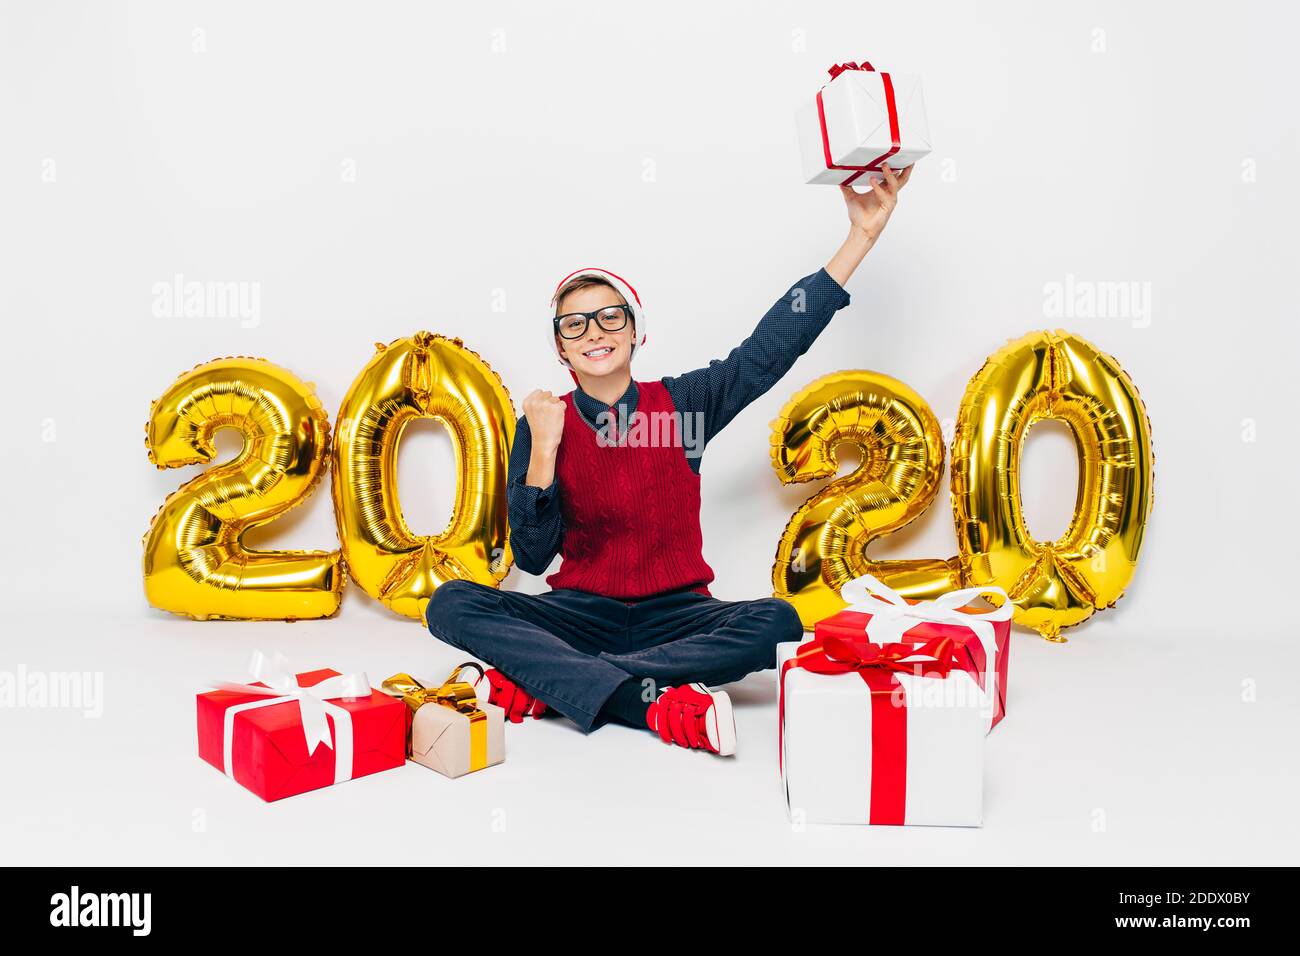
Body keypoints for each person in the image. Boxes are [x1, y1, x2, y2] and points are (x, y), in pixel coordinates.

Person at [425, 164, 914, 756]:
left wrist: (860, 237)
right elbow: (531, 555)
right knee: (451, 602)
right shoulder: (542, 422)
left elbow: (767, 351)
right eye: (574, 324)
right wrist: (545, 450)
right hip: (580, 612)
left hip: (678, 616)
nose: (594, 331)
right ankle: (640, 698)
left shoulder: (683, 405)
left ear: (635, 332)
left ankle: (560, 680)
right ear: (560, 346)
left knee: (778, 622)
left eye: (611, 317)